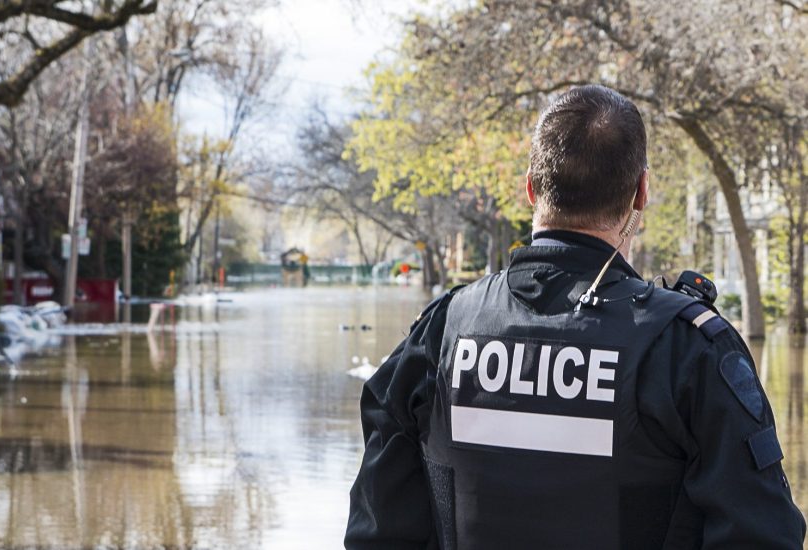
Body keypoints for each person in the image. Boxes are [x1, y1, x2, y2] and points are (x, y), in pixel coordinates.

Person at [345, 85, 806, 549]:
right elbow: (762, 534)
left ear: (530, 187)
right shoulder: (688, 349)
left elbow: (377, 529)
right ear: (641, 192)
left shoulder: (442, 332)